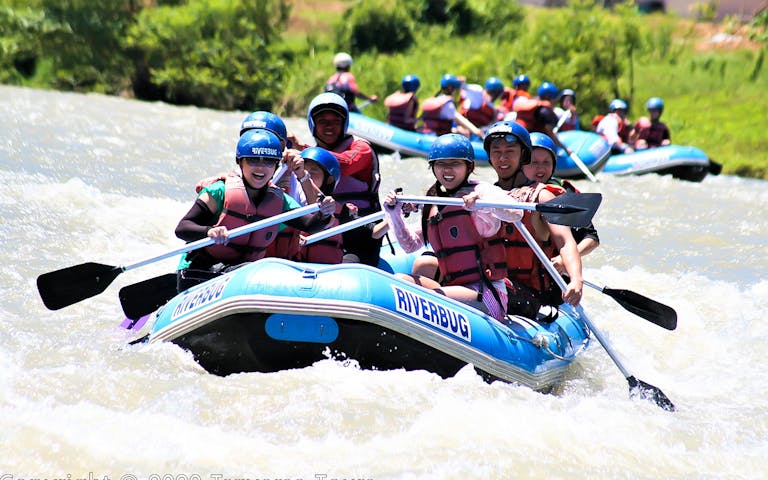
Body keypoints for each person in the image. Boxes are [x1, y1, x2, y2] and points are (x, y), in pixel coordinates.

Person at [382, 134, 522, 322]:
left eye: (455, 163)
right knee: (400, 280)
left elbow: (516, 213)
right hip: (454, 289)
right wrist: (394, 213)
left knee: (426, 299)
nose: (447, 170)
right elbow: (410, 245)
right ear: (433, 167)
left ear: (469, 167)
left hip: (487, 293)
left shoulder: (481, 190)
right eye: (441, 164)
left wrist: (482, 203)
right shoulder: (433, 200)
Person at [174, 129, 336, 291]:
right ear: (240, 162)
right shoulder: (219, 192)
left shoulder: (280, 201)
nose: (260, 167)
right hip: (200, 272)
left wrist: (324, 212)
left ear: (276, 166)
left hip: (240, 274)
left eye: (268, 161)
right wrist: (209, 231)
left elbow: (310, 225)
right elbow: (182, 228)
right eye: (253, 160)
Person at [483, 121, 584, 318]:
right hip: (495, 282)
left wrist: (576, 279)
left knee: (493, 286)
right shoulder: (483, 194)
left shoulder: (542, 196)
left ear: (524, 156)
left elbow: (565, 241)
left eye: (510, 151)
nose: (502, 158)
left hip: (532, 295)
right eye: (496, 152)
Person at [307, 92, 383, 266]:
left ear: (344, 124)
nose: (329, 127)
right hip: (325, 230)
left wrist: (302, 150)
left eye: (336, 121)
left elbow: (343, 164)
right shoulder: (306, 159)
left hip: (360, 234)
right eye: (323, 121)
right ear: (313, 124)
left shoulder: (361, 148)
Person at [523, 132, 600, 273]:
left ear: (553, 165)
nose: (540, 168)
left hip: (554, 271)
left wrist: (563, 259)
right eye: (534, 162)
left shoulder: (565, 192)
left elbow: (592, 238)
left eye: (546, 162)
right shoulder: (507, 191)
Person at [512, 81, 575, 157]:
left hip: (519, 140)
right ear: (550, 97)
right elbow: (551, 135)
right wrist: (565, 149)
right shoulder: (546, 112)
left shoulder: (532, 103)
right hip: (533, 144)